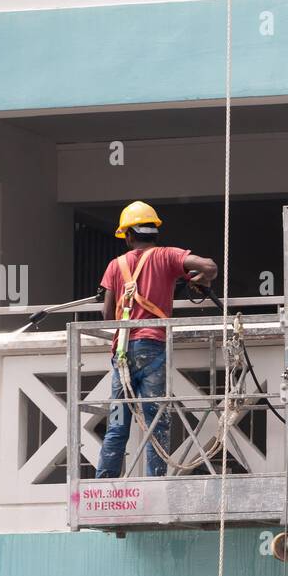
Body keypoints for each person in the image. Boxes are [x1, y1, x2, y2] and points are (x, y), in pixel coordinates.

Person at [94, 200, 218, 478]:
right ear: (154, 232)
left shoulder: (115, 266)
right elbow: (209, 266)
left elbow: (106, 314)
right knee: (155, 423)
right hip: (152, 347)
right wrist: (202, 279)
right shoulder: (167, 256)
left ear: (128, 235)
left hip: (123, 353)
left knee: (117, 425)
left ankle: (103, 486)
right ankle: (155, 486)